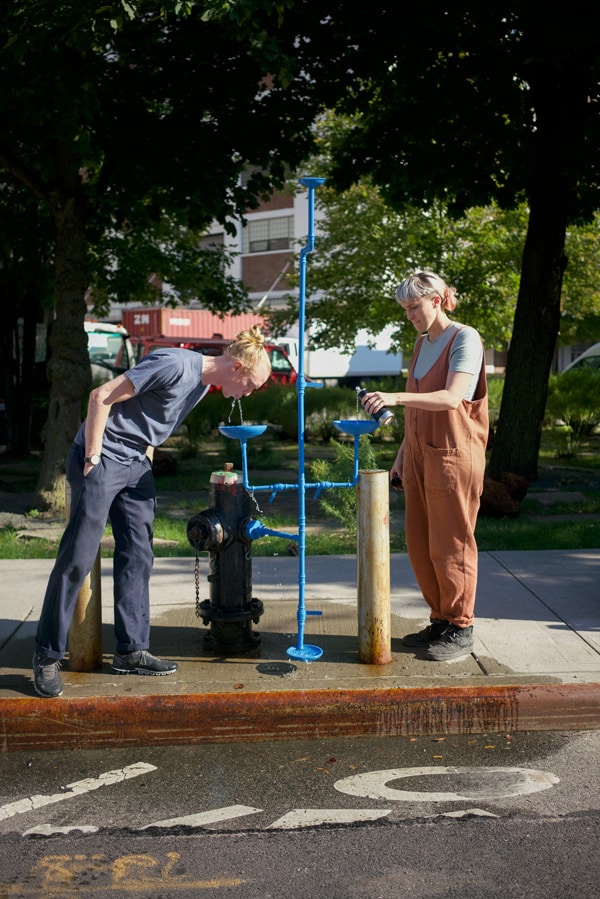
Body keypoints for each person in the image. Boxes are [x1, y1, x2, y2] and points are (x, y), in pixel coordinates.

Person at [32, 326, 271, 698]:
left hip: (135, 464)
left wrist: (143, 461)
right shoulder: (174, 364)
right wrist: (93, 456)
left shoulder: (203, 384)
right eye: (253, 384)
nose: (251, 393)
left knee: (140, 555)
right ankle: (46, 655)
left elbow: (148, 424)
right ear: (238, 367)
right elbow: (102, 396)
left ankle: (131, 650)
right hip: (103, 457)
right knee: (78, 557)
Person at [359, 272, 488, 661]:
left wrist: (394, 396)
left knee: (451, 545)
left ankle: (461, 627)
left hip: (453, 454)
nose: (410, 315)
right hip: (419, 455)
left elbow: (450, 398)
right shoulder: (420, 343)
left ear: (436, 300)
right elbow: (418, 409)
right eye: (405, 309)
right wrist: (402, 455)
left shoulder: (465, 338)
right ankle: (441, 620)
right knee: (420, 546)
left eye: (414, 306)